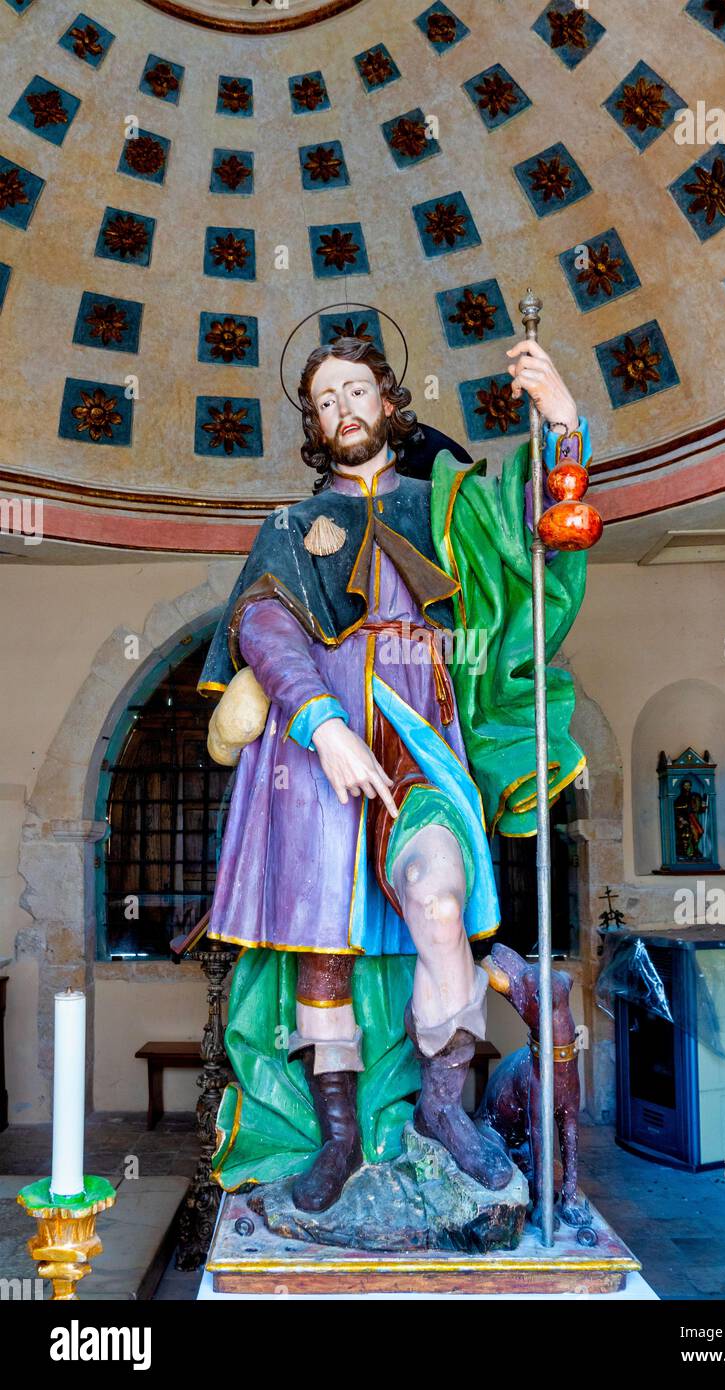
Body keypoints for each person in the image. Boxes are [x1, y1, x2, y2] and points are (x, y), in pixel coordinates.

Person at [200, 334, 593, 1210]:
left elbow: (541, 530)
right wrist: (321, 721)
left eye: (356, 390)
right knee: (324, 953)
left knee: (440, 903)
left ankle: (445, 1112)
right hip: (316, 753)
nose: (342, 408)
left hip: (420, 741)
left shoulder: (445, 503)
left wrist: (561, 423)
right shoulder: (291, 528)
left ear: (388, 401)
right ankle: (338, 1139)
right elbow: (262, 627)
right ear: (314, 423)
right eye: (324, 399)